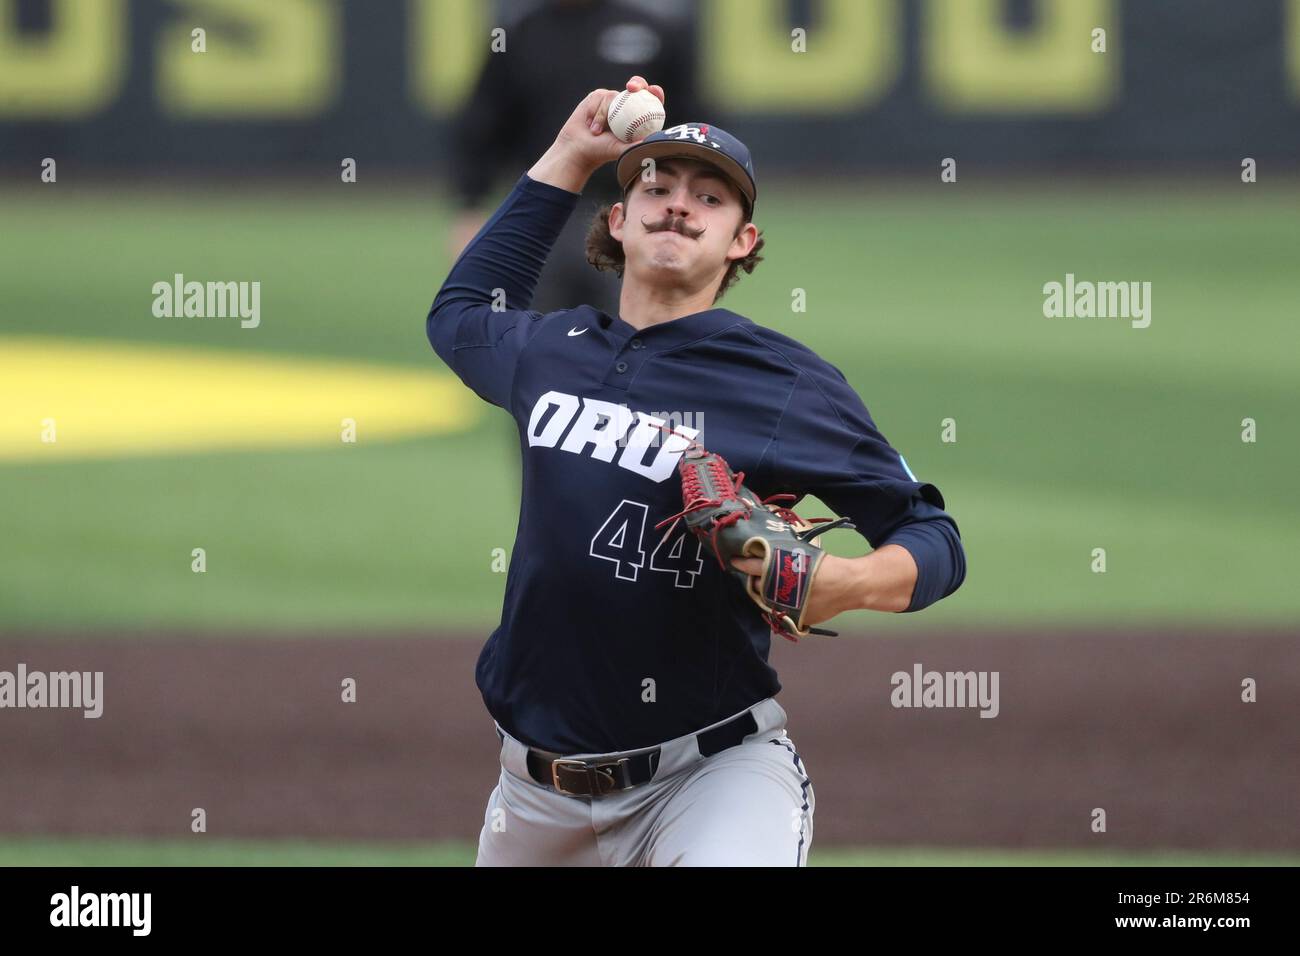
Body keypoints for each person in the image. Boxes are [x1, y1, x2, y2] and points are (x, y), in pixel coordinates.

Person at [427, 77, 966, 866]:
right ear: (617, 220)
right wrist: (571, 155)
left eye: (711, 198)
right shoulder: (551, 349)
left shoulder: (783, 382)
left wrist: (843, 584)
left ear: (742, 242)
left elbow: (933, 535)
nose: (680, 204)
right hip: (532, 799)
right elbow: (459, 312)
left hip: (712, 778)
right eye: (658, 185)